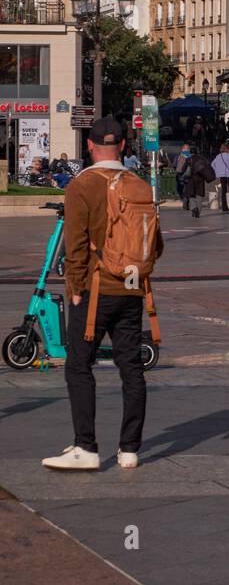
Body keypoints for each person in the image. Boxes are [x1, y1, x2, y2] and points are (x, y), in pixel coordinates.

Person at [42, 116, 164, 472]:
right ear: (124, 146)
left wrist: (75, 287)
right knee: (131, 367)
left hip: (95, 291)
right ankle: (129, 450)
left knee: (79, 365)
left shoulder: (82, 185)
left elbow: (76, 244)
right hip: (133, 289)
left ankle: (86, 446)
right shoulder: (139, 184)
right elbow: (156, 245)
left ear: (90, 146)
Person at [181, 148, 212, 219]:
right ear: (197, 152)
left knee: (191, 195)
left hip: (190, 180)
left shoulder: (188, 160)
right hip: (200, 180)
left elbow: (183, 169)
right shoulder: (202, 160)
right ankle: (198, 210)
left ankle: (194, 208)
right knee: (199, 195)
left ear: (190, 153)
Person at [212, 143, 229, 212]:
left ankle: (224, 206)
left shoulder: (218, 156)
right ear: (227, 149)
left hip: (221, 175)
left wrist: (218, 171)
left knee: (224, 191)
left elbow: (212, 165)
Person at [175, 144, 192, 209]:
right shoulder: (191, 156)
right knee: (188, 189)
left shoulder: (179, 155)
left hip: (181, 176)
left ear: (182, 149)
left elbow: (174, 165)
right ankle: (187, 201)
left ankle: (185, 201)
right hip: (189, 175)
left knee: (181, 189)